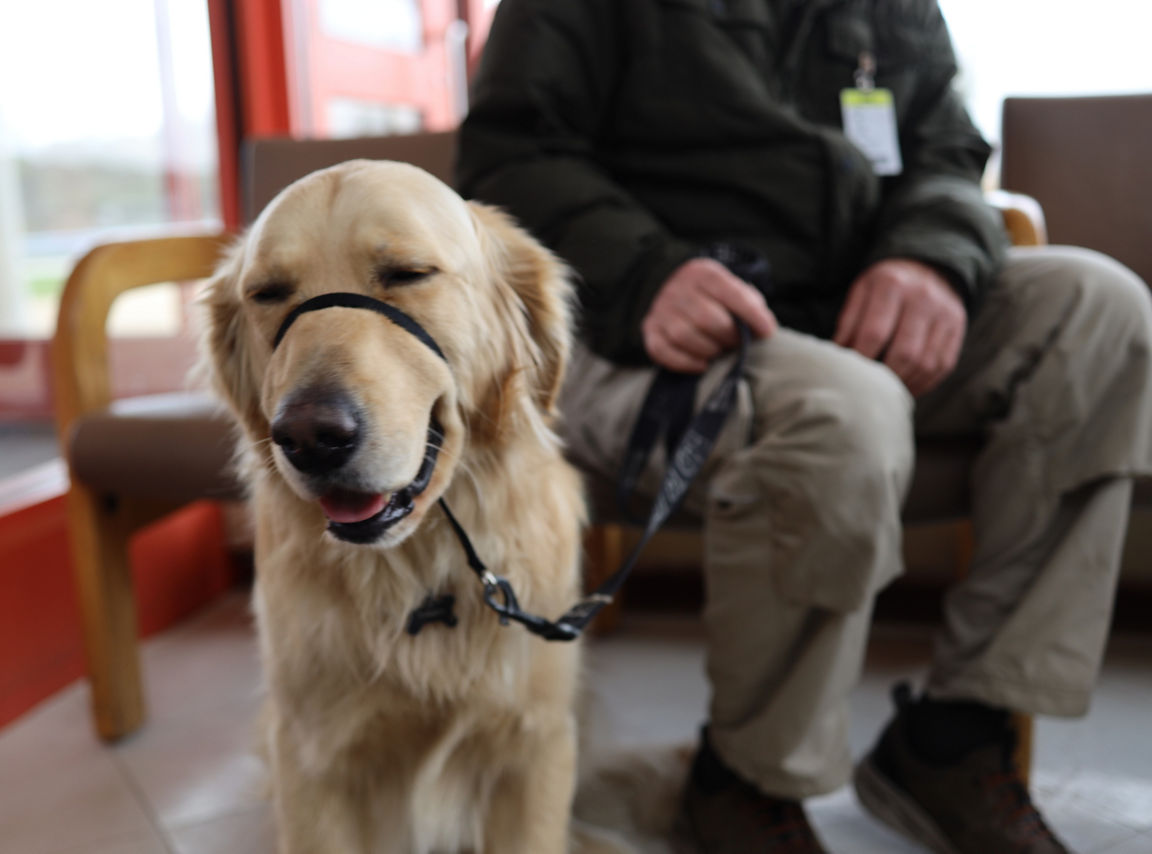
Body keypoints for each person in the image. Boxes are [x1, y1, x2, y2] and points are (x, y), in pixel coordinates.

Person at [455, 2, 1152, 853]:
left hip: (848, 306)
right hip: (649, 326)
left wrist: (927, 257)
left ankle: (956, 738)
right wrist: (645, 272)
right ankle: (744, 785)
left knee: (1101, 312)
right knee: (842, 410)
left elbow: (945, 151)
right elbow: (508, 157)